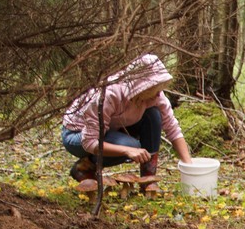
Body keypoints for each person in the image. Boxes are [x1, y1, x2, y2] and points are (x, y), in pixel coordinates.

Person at [61, 54, 194, 193]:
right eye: (154, 87)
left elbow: (172, 128)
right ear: (142, 86)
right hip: (77, 135)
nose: (158, 94)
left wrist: (189, 165)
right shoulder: (110, 94)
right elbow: (89, 142)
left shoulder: (155, 96)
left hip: (110, 130)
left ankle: (148, 181)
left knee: (153, 115)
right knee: (130, 146)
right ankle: (85, 167)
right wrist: (127, 150)